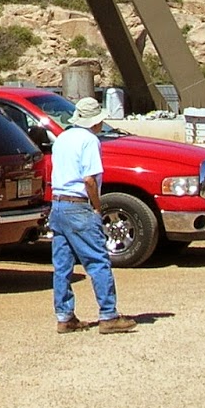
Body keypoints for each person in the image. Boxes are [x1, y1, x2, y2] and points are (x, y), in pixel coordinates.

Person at [49, 98, 137, 335]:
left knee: (62, 264)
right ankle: (108, 314)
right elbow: (89, 179)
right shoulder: (89, 141)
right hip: (78, 206)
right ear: (95, 122)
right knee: (97, 260)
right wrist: (97, 207)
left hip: (58, 204)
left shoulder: (62, 138)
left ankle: (64, 316)